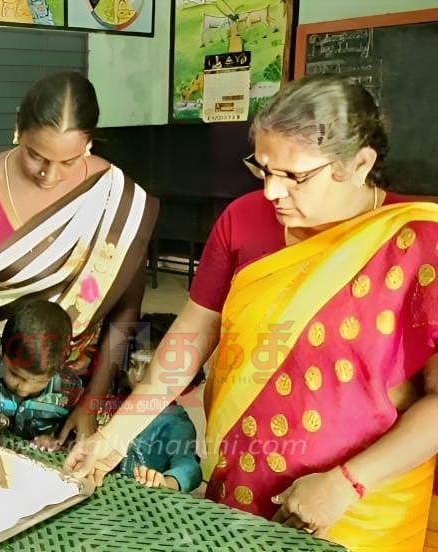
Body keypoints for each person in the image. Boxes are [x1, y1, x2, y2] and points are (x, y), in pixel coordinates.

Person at [64, 75, 438, 550]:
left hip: (362, 509)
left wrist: (348, 482)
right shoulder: (243, 221)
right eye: (262, 168)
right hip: (242, 490)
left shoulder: (420, 243)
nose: (271, 192)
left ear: (359, 163)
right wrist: (116, 434)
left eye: (295, 176)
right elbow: (192, 334)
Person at [0, 70, 159, 486]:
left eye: (69, 160)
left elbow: (126, 313)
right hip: (0, 373)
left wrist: (91, 403)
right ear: (18, 126)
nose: (50, 174)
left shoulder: (118, 199)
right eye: (36, 155)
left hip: (81, 379)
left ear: (90, 142)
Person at [0, 300, 200, 493]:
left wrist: (58, 441)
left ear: (61, 367)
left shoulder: (69, 389)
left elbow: (79, 437)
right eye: (15, 376)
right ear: (1, 352)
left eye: (34, 382)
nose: (21, 388)